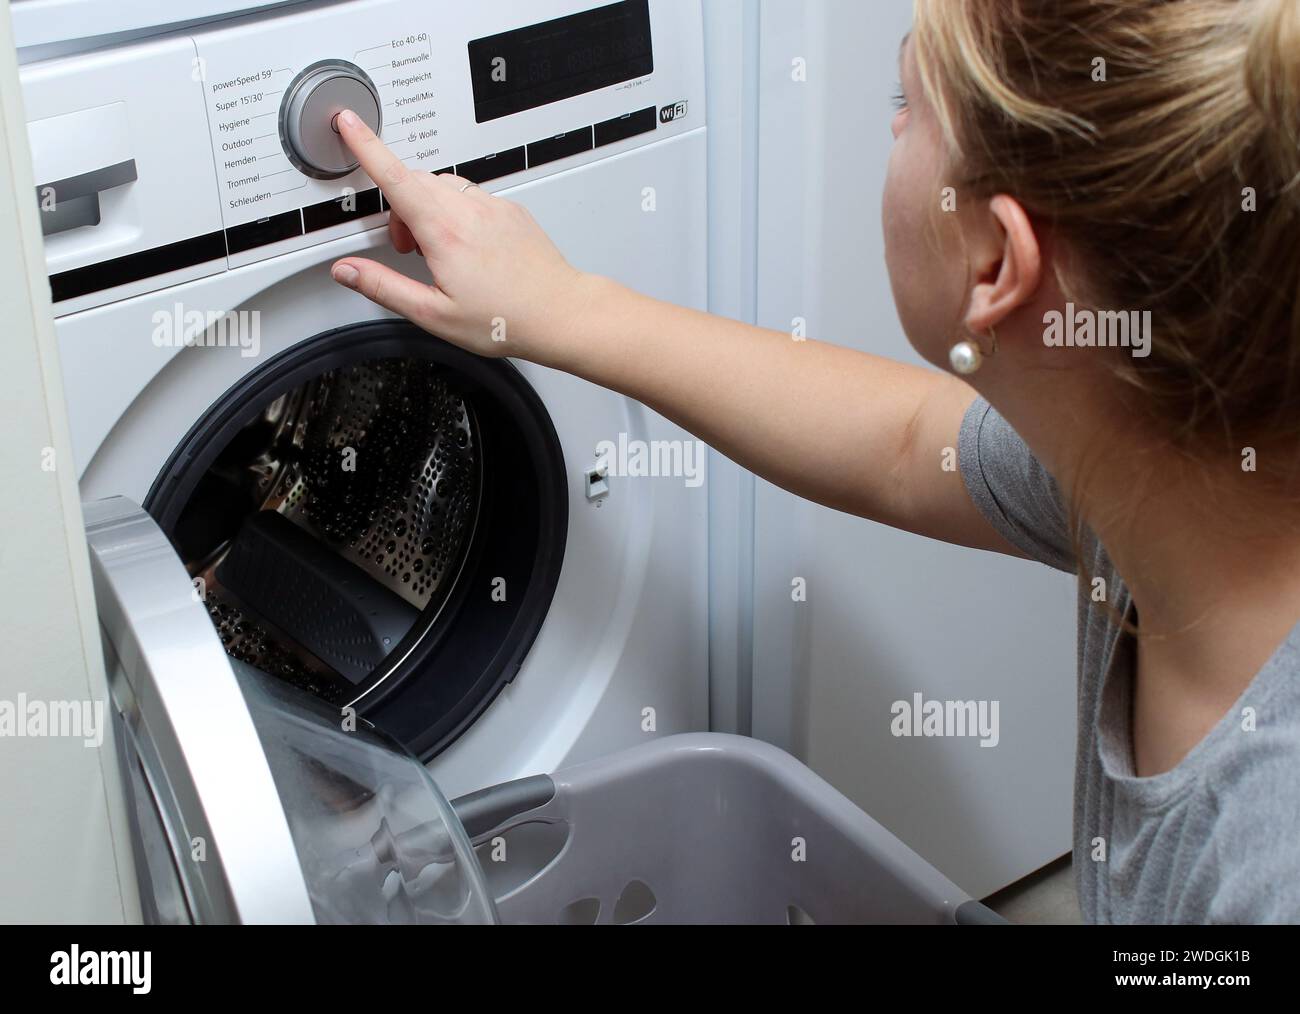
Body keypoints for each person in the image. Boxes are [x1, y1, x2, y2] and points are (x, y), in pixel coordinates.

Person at [326, 0, 1300, 923]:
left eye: (904, 106)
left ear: (997, 266)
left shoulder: (1270, 841)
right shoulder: (1163, 465)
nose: (887, 132)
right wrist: (561, 305)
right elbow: (904, 446)